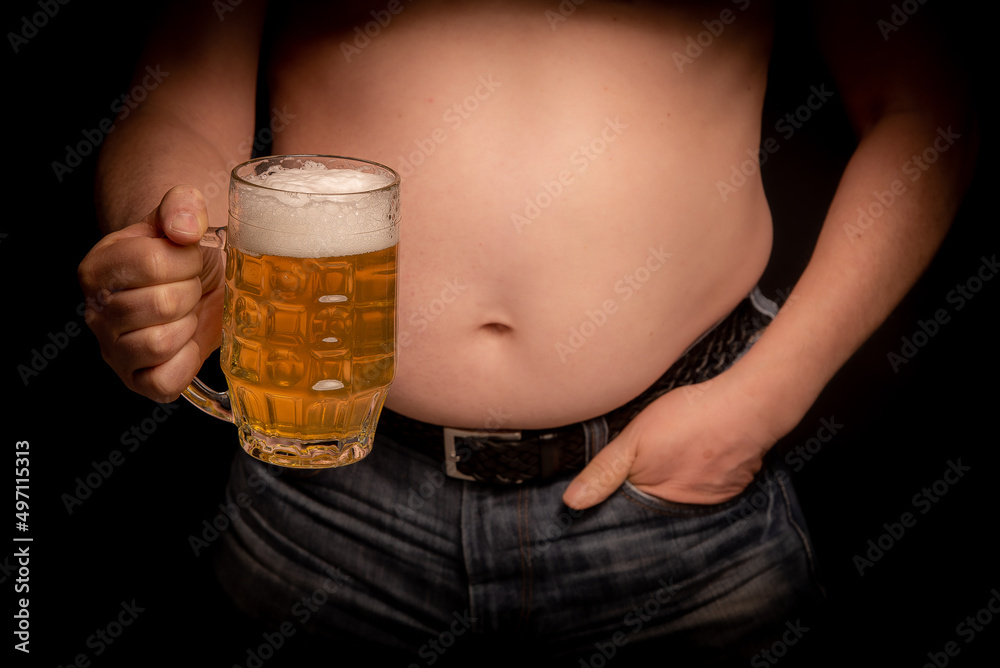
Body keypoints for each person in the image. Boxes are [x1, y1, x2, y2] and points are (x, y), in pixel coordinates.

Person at [77, 0, 977, 664]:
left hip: (679, 493)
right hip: (322, 491)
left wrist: (766, 399)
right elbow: (185, 89)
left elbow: (924, 104)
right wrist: (167, 242)